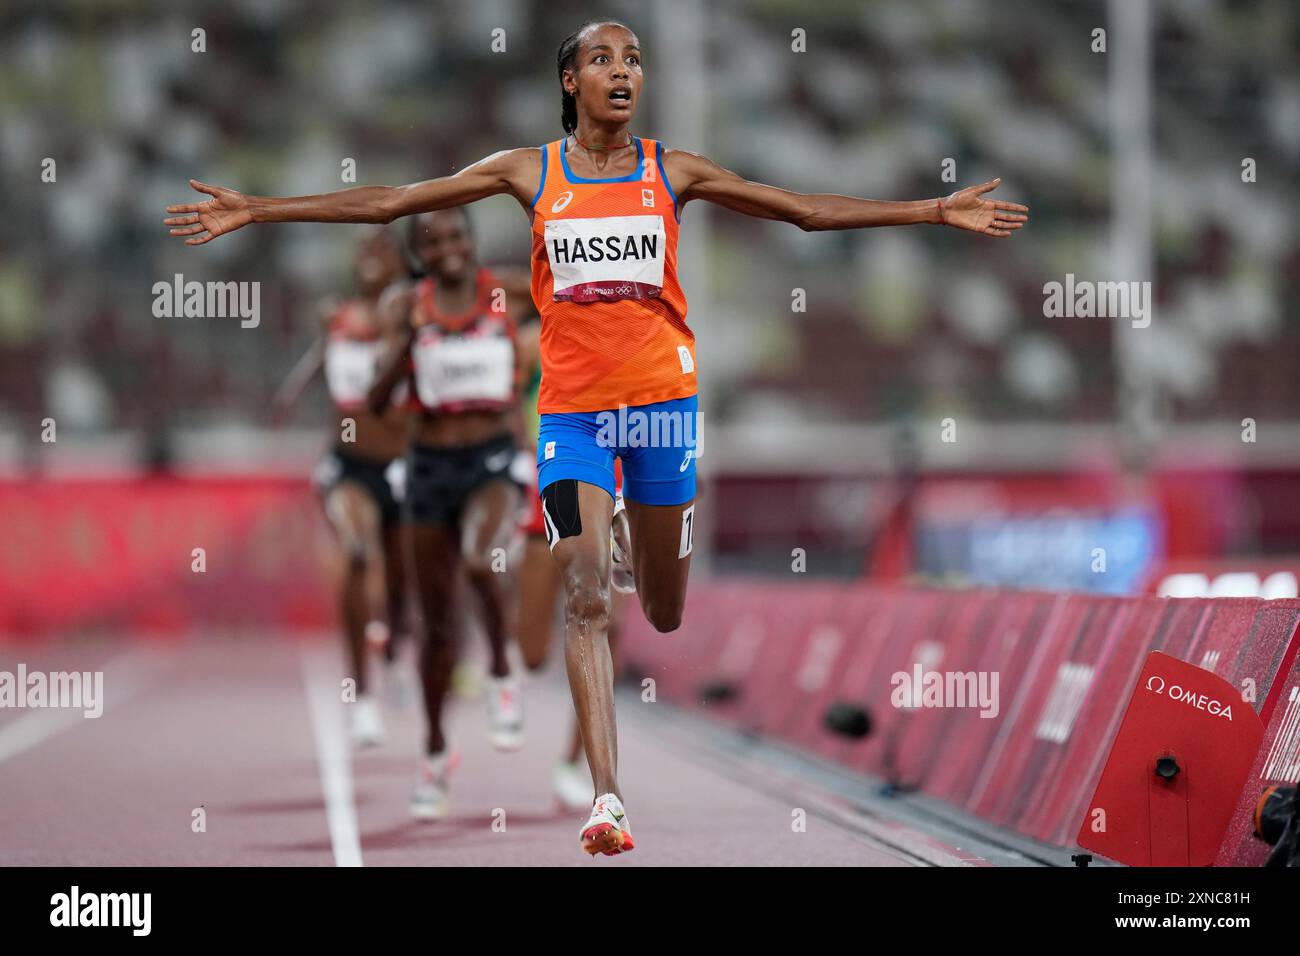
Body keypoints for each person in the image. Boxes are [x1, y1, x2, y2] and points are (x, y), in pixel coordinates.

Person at [164, 18, 1028, 855]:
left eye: (636, 59)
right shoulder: (528, 173)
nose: (625, 72)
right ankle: (608, 797)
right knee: (583, 594)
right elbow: (394, 200)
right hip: (572, 415)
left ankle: (629, 542)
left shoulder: (671, 170)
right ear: (570, 82)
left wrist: (932, 211)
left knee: (662, 608)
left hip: (663, 410)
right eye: (604, 59)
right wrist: (258, 209)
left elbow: (802, 210)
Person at [367, 207, 534, 820]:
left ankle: (500, 667)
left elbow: (574, 308)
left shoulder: (509, 292)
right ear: (420, 254)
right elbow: (378, 402)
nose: (449, 250)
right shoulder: (403, 307)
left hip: (492, 459)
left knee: (482, 562)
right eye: (433, 243)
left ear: (474, 239)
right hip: (429, 465)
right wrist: (410, 339)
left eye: (458, 236)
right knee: (434, 625)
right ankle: (435, 751)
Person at [271, 227, 408, 747]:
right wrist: (292, 391)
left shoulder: (415, 313)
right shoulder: (339, 315)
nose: (371, 258)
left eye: (382, 250)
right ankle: (363, 699)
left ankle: (395, 648)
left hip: (404, 463)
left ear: (400, 262)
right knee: (355, 555)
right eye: (364, 250)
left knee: (400, 580)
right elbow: (320, 355)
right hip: (350, 465)